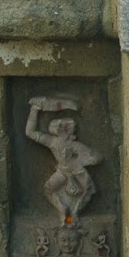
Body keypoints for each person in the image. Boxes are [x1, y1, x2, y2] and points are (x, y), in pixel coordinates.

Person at [25, 97, 101, 228]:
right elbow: (97, 158)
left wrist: (34, 111)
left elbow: (30, 132)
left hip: (67, 172)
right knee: (87, 191)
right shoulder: (76, 145)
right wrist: (82, 160)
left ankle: (64, 210)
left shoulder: (53, 142)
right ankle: (71, 212)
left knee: (49, 189)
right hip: (75, 172)